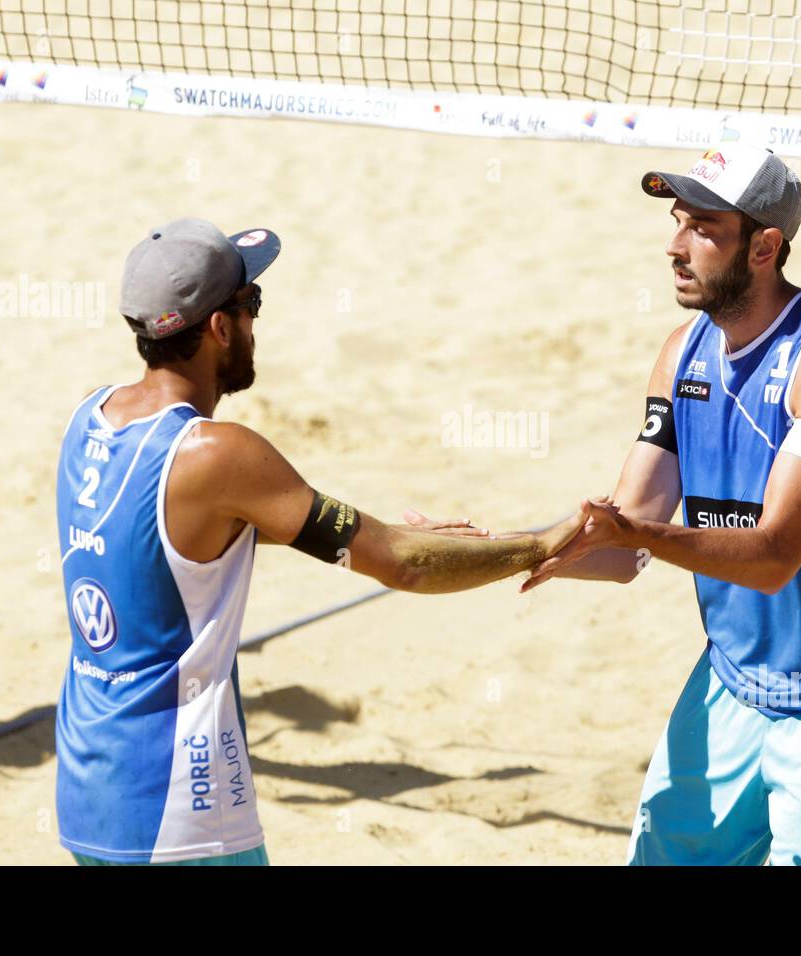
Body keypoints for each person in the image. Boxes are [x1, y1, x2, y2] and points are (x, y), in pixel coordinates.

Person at [55, 218, 583, 865]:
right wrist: (539, 544)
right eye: (252, 306)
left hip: (87, 791)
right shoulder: (215, 454)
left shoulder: (91, 417)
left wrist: (383, 533)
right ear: (220, 329)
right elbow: (405, 568)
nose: (255, 324)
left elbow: (173, 541)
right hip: (178, 811)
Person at [521, 144, 801, 865]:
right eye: (678, 221)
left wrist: (636, 530)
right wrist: (491, 548)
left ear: (765, 246)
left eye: (702, 228)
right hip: (731, 683)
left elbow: (772, 557)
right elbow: (618, 548)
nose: (674, 246)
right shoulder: (683, 354)